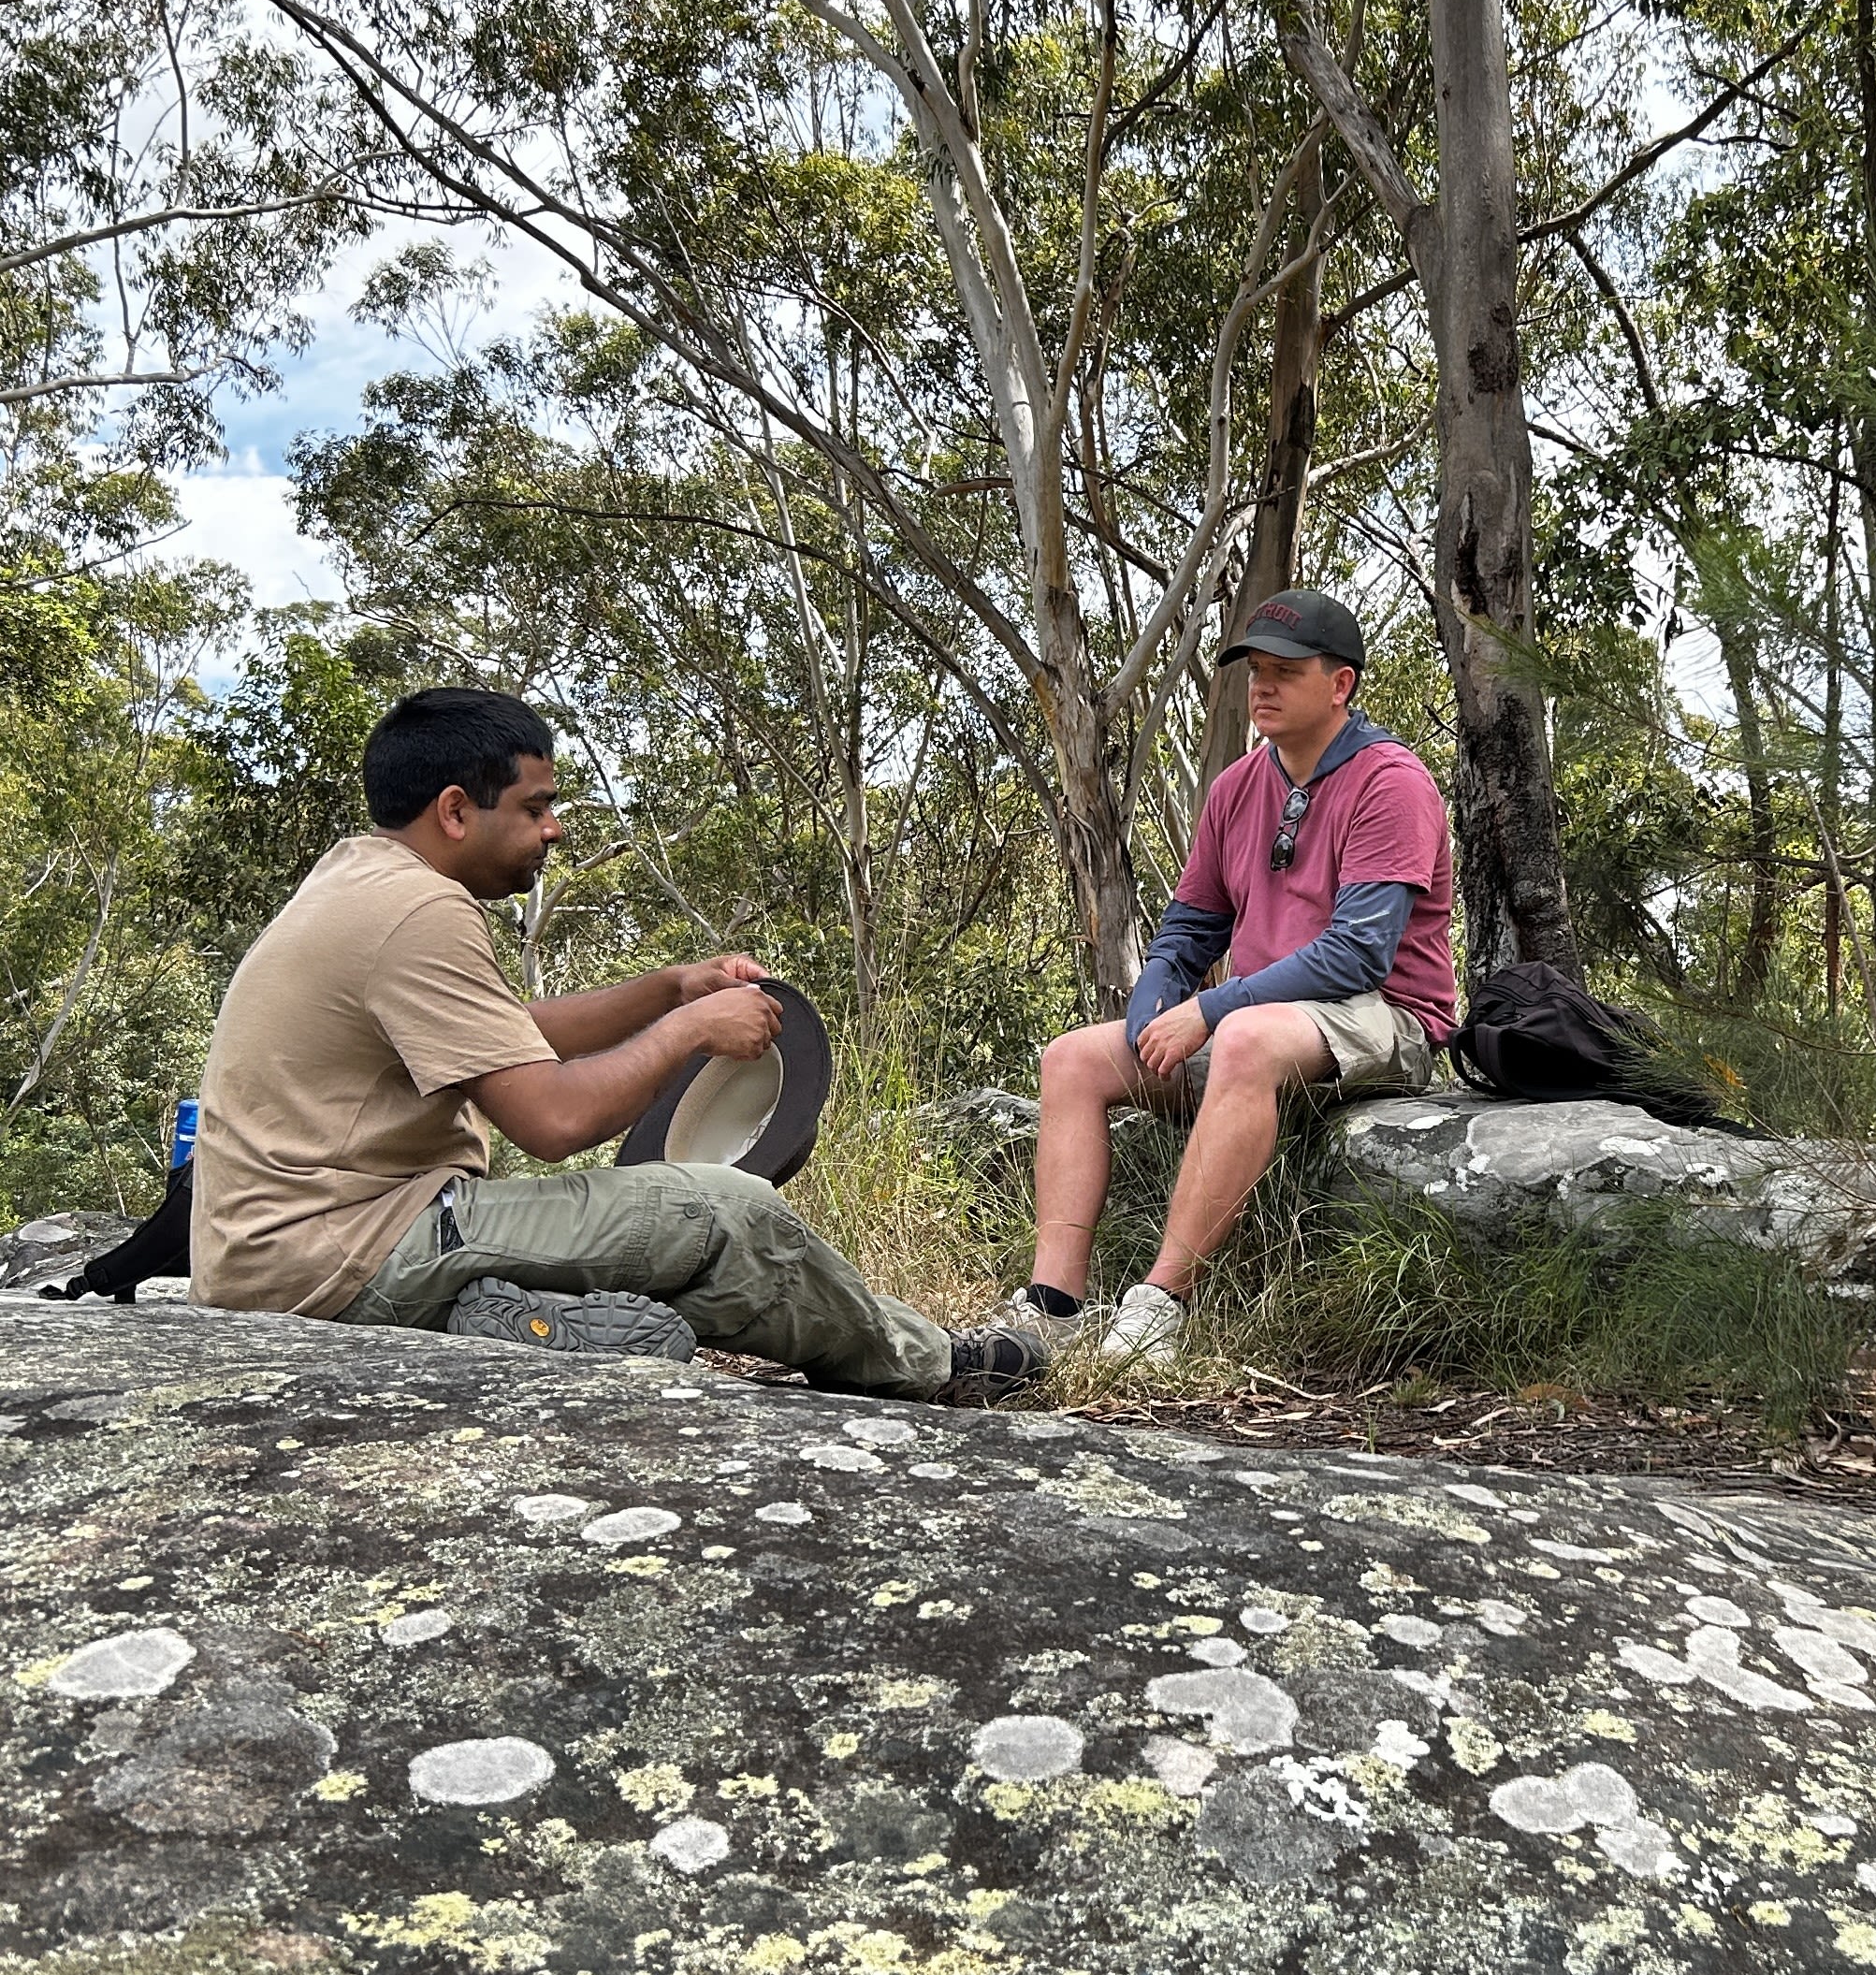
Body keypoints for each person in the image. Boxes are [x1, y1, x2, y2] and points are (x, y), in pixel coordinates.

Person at [190, 687, 1039, 1403]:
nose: (554, 829)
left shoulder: (361, 878)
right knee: (727, 1211)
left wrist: (671, 988)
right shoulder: (421, 912)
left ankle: (518, 1318)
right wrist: (691, 1031)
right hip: (342, 1260)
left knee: (691, 1241)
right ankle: (928, 1366)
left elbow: (508, 1029)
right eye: (535, 807)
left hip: (274, 1260)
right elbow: (553, 1121)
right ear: (455, 810)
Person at [994, 588, 1455, 1369]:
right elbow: (1192, 925)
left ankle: (1158, 1308)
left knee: (1241, 1035)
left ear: (1339, 684)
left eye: (1285, 671)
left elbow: (1360, 955)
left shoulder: (1392, 783)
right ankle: (1053, 1308)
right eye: (1254, 671)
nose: (1262, 687)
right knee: (1071, 1059)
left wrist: (1211, 1006)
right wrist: (1155, 992)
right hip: (1269, 1023)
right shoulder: (1237, 787)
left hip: (1384, 1017)